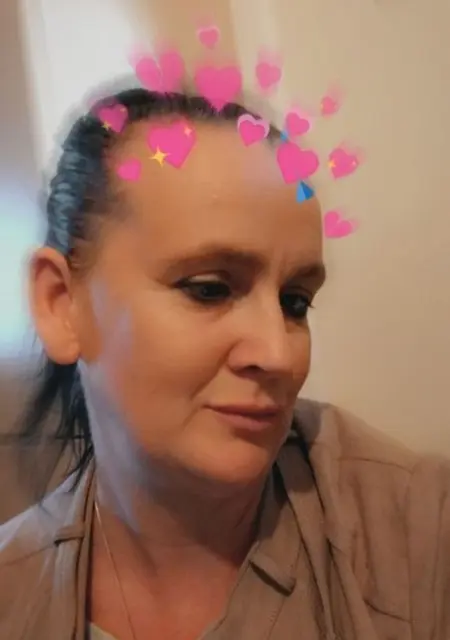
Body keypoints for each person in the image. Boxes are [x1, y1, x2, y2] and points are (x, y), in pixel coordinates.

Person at [0, 87, 449, 640]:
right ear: (61, 304)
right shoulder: (13, 592)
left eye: (295, 302)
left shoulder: (418, 534)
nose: (278, 355)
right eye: (209, 289)